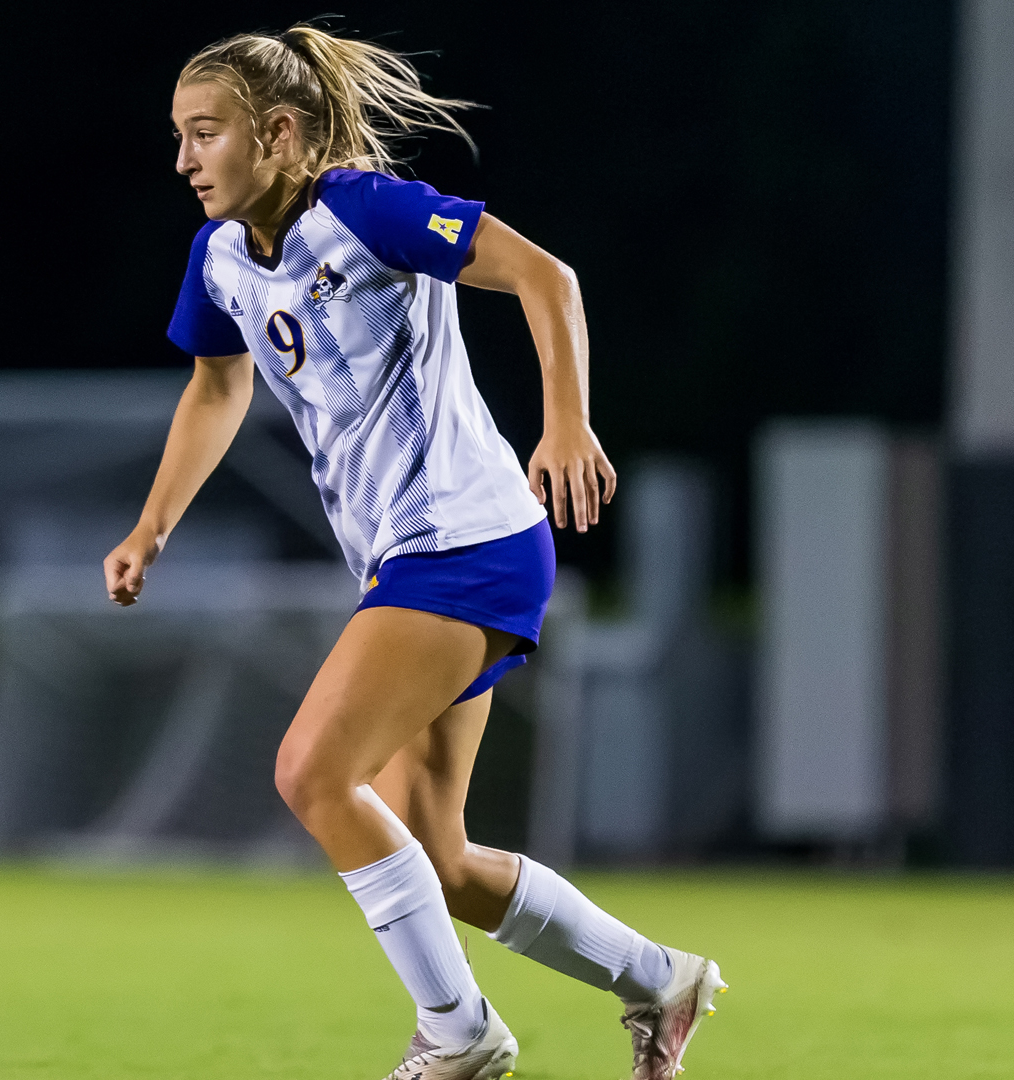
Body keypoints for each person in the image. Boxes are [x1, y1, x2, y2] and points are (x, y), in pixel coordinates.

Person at [104, 25, 727, 1080]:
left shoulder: (366, 210)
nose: (184, 159)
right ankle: (659, 978)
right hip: (412, 560)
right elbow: (217, 385)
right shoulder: (221, 259)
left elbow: (546, 277)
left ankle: (459, 1032)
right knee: (438, 860)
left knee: (312, 771)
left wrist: (565, 422)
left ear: (280, 133)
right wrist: (152, 525)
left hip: (466, 539)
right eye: (179, 136)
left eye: (205, 133)